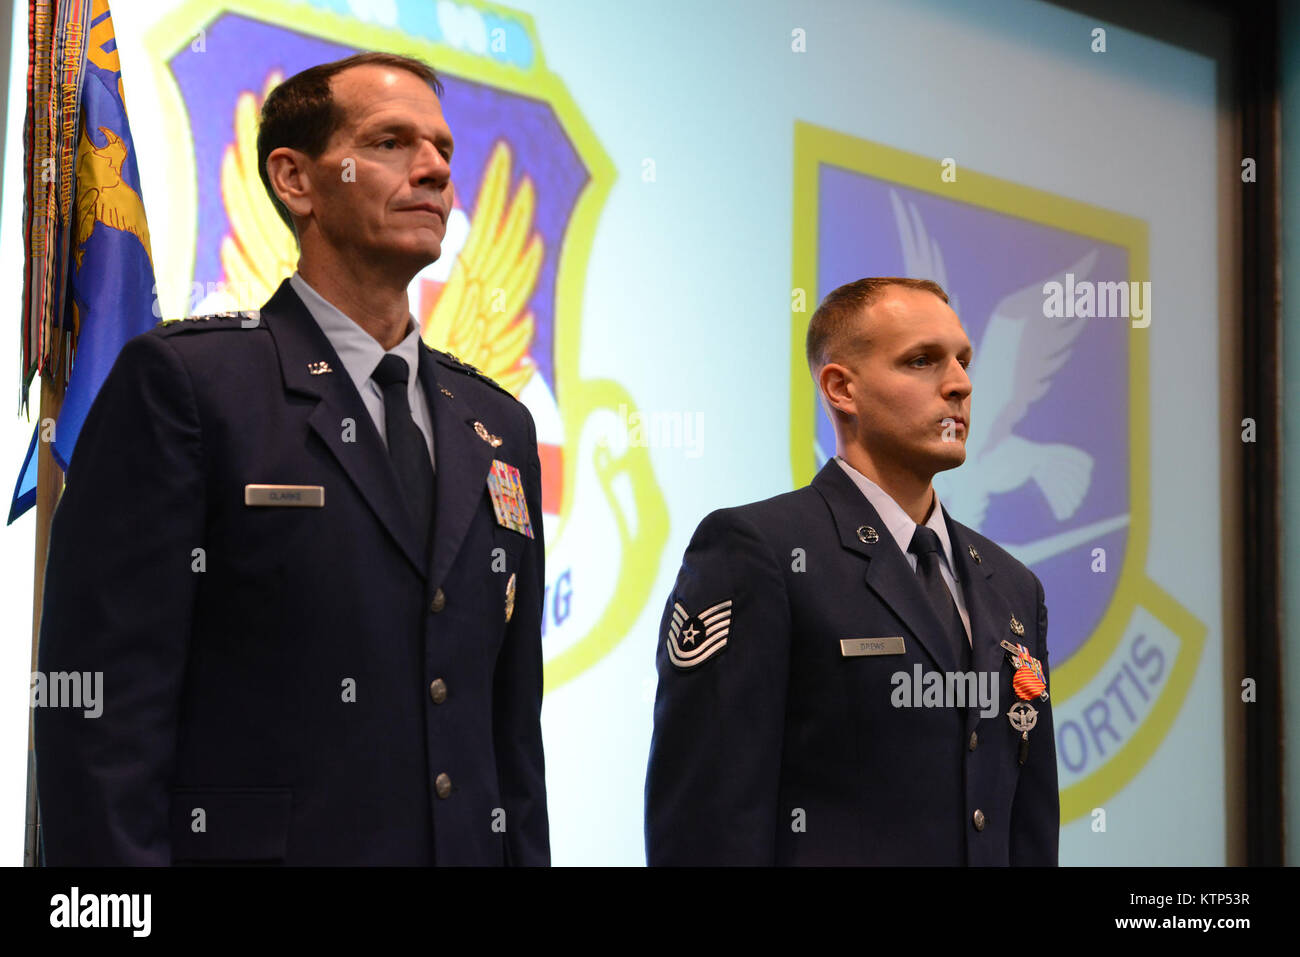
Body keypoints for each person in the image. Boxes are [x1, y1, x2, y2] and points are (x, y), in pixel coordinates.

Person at [34, 52, 549, 865]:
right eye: (390, 143)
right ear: (296, 179)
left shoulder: (497, 425)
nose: (433, 171)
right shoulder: (189, 386)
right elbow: (101, 720)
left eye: (445, 153)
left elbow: (510, 734)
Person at [644, 277, 1058, 865]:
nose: (960, 385)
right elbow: (705, 824)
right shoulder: (759, 551)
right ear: (842, 388)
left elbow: (1029, 828)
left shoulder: (1014, 586)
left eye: (962, 361)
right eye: (921, 361)